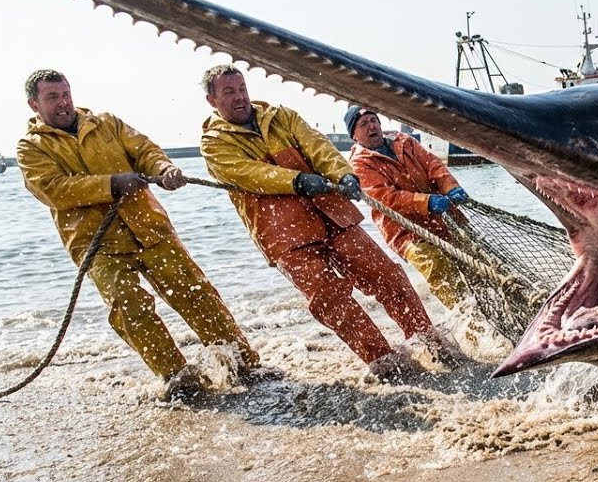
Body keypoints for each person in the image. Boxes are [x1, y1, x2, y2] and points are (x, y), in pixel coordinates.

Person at [17, 69, 259, 401]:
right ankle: (178, 377)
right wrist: (112, 184)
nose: (63, 103)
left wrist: (163, 169)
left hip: (149, 226)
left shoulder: (106, 123)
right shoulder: (31, 148)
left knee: (196, 293)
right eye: (52, 98)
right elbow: (53, 189)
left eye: (66, 94)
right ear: (34, 104)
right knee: (128, 305)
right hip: (98, 245)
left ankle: (244, 365)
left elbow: (145, 150)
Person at [197, 64, 446, 380]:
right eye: (229, 92)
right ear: (212, 101)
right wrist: (297, 180)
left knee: (388, 275)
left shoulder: (281, 115)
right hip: (286, 237)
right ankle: (386, 364)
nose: (240, 97)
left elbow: (318, 145)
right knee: (331, 300)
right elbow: (247, 174)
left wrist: (343, 173)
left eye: (242, 88)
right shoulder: (213, 143)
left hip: (332, 213)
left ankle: (430, 341)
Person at [345, 107, 470, 309]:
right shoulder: (359, 164)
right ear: (354, 135)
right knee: (437, 266)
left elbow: (434, 166)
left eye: (374, 120)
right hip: (406, 233)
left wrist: (452, 187)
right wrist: (427, 202)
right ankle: (468, 318)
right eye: (364, 124)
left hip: (444, 219)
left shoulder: (405, 142)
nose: (372, 126)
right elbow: (387, 198)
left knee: (474, 258)